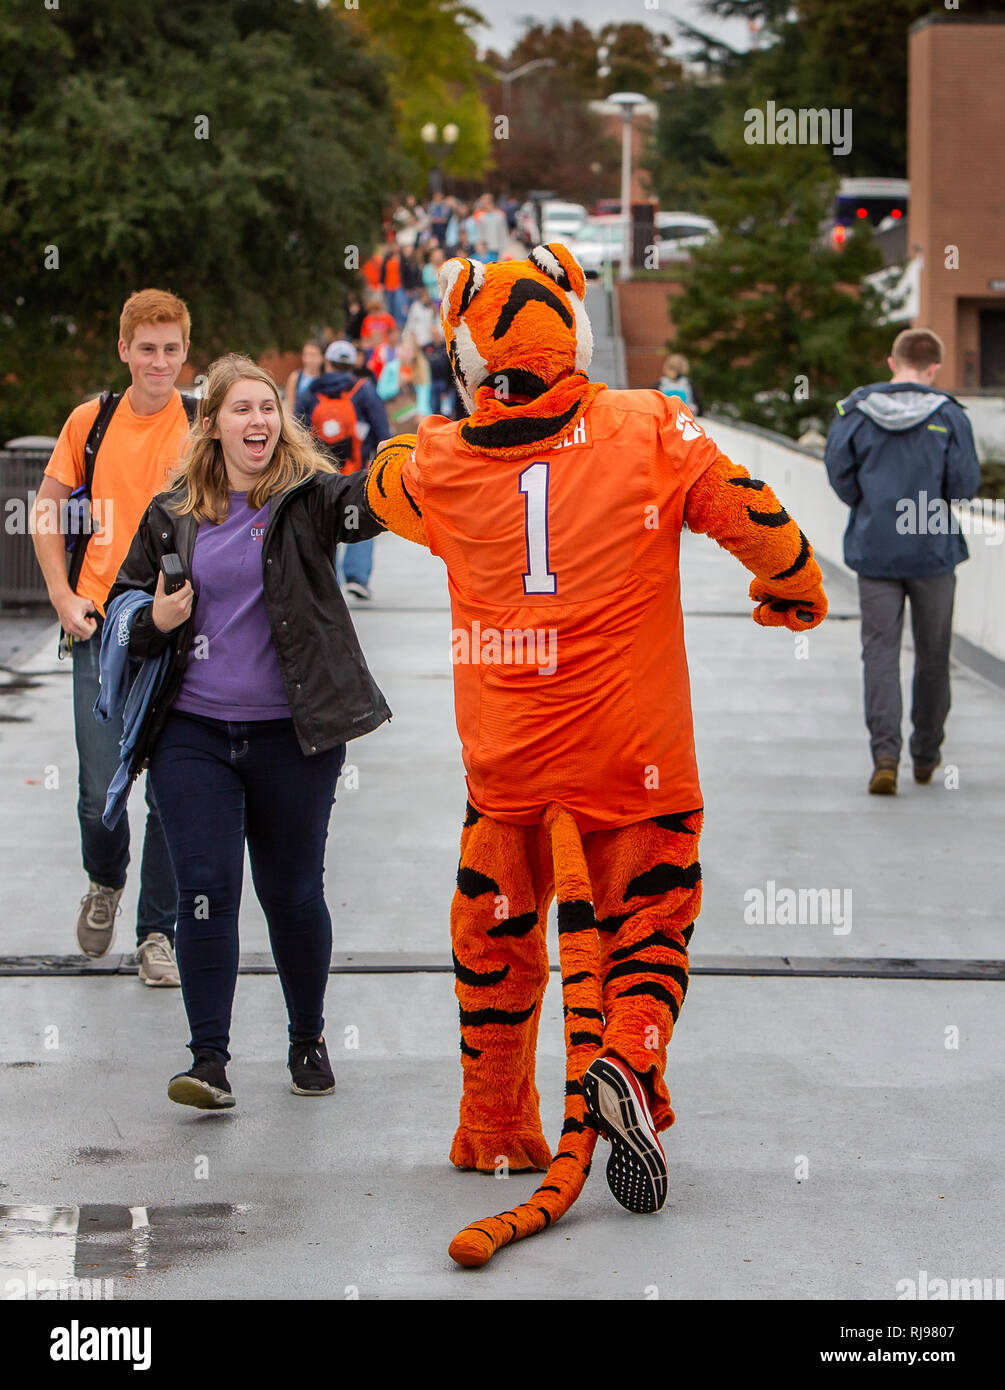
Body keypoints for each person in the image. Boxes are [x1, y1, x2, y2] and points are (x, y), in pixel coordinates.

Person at [104, 354, 390, 1108]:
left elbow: (375, 507)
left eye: (267, 408)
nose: (256, 421)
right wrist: (155, 621)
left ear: (280, 421)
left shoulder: (310, 500)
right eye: (241, 410)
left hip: (294, 736)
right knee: (204, 892)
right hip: (191, 733)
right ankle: (209, 1061)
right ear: (213, 425)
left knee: (291, 893)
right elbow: (122, 612)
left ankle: (306, 1037)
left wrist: (434, 449)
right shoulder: (172, 513)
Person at [31, 288, 193, 986]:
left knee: (173, 792)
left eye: (172, 349)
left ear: (187, 353)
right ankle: (105, 878)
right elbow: (44, 510)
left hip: (184, 631)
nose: (160, 362)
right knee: (102, 788)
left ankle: (157, 932)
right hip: (100, 627)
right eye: (147, 349)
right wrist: (62, 596)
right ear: (124, 349)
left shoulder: (204, 430)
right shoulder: (90, 422)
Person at [825, 328, 981, 794]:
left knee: (879, 653)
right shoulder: (950, 416)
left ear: (892, 363)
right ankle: (927, 755)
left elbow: (838, 472)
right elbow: (964, 485)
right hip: (932, 550)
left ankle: (885, 756)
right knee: (933, 656)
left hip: (876, 549)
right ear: (934, 367)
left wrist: (871, 505)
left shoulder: (854, 411)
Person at [300, 340, 391, 600]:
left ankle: (329, 580)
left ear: (327, 363)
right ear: (353, 364)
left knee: (323, 524)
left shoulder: (312, 391)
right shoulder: (363, 390)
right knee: (360, 517)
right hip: (356, 471)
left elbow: (297, 430)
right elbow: (381, 428)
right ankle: (357, 577)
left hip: (320, 473)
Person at [283, 341, 324, 419]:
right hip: (300, 425)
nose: (308, 359)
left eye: (313, 355)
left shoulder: (326, 379)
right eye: (306, 355)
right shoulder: (296, 377)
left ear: (322, 357)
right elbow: (290, 406)